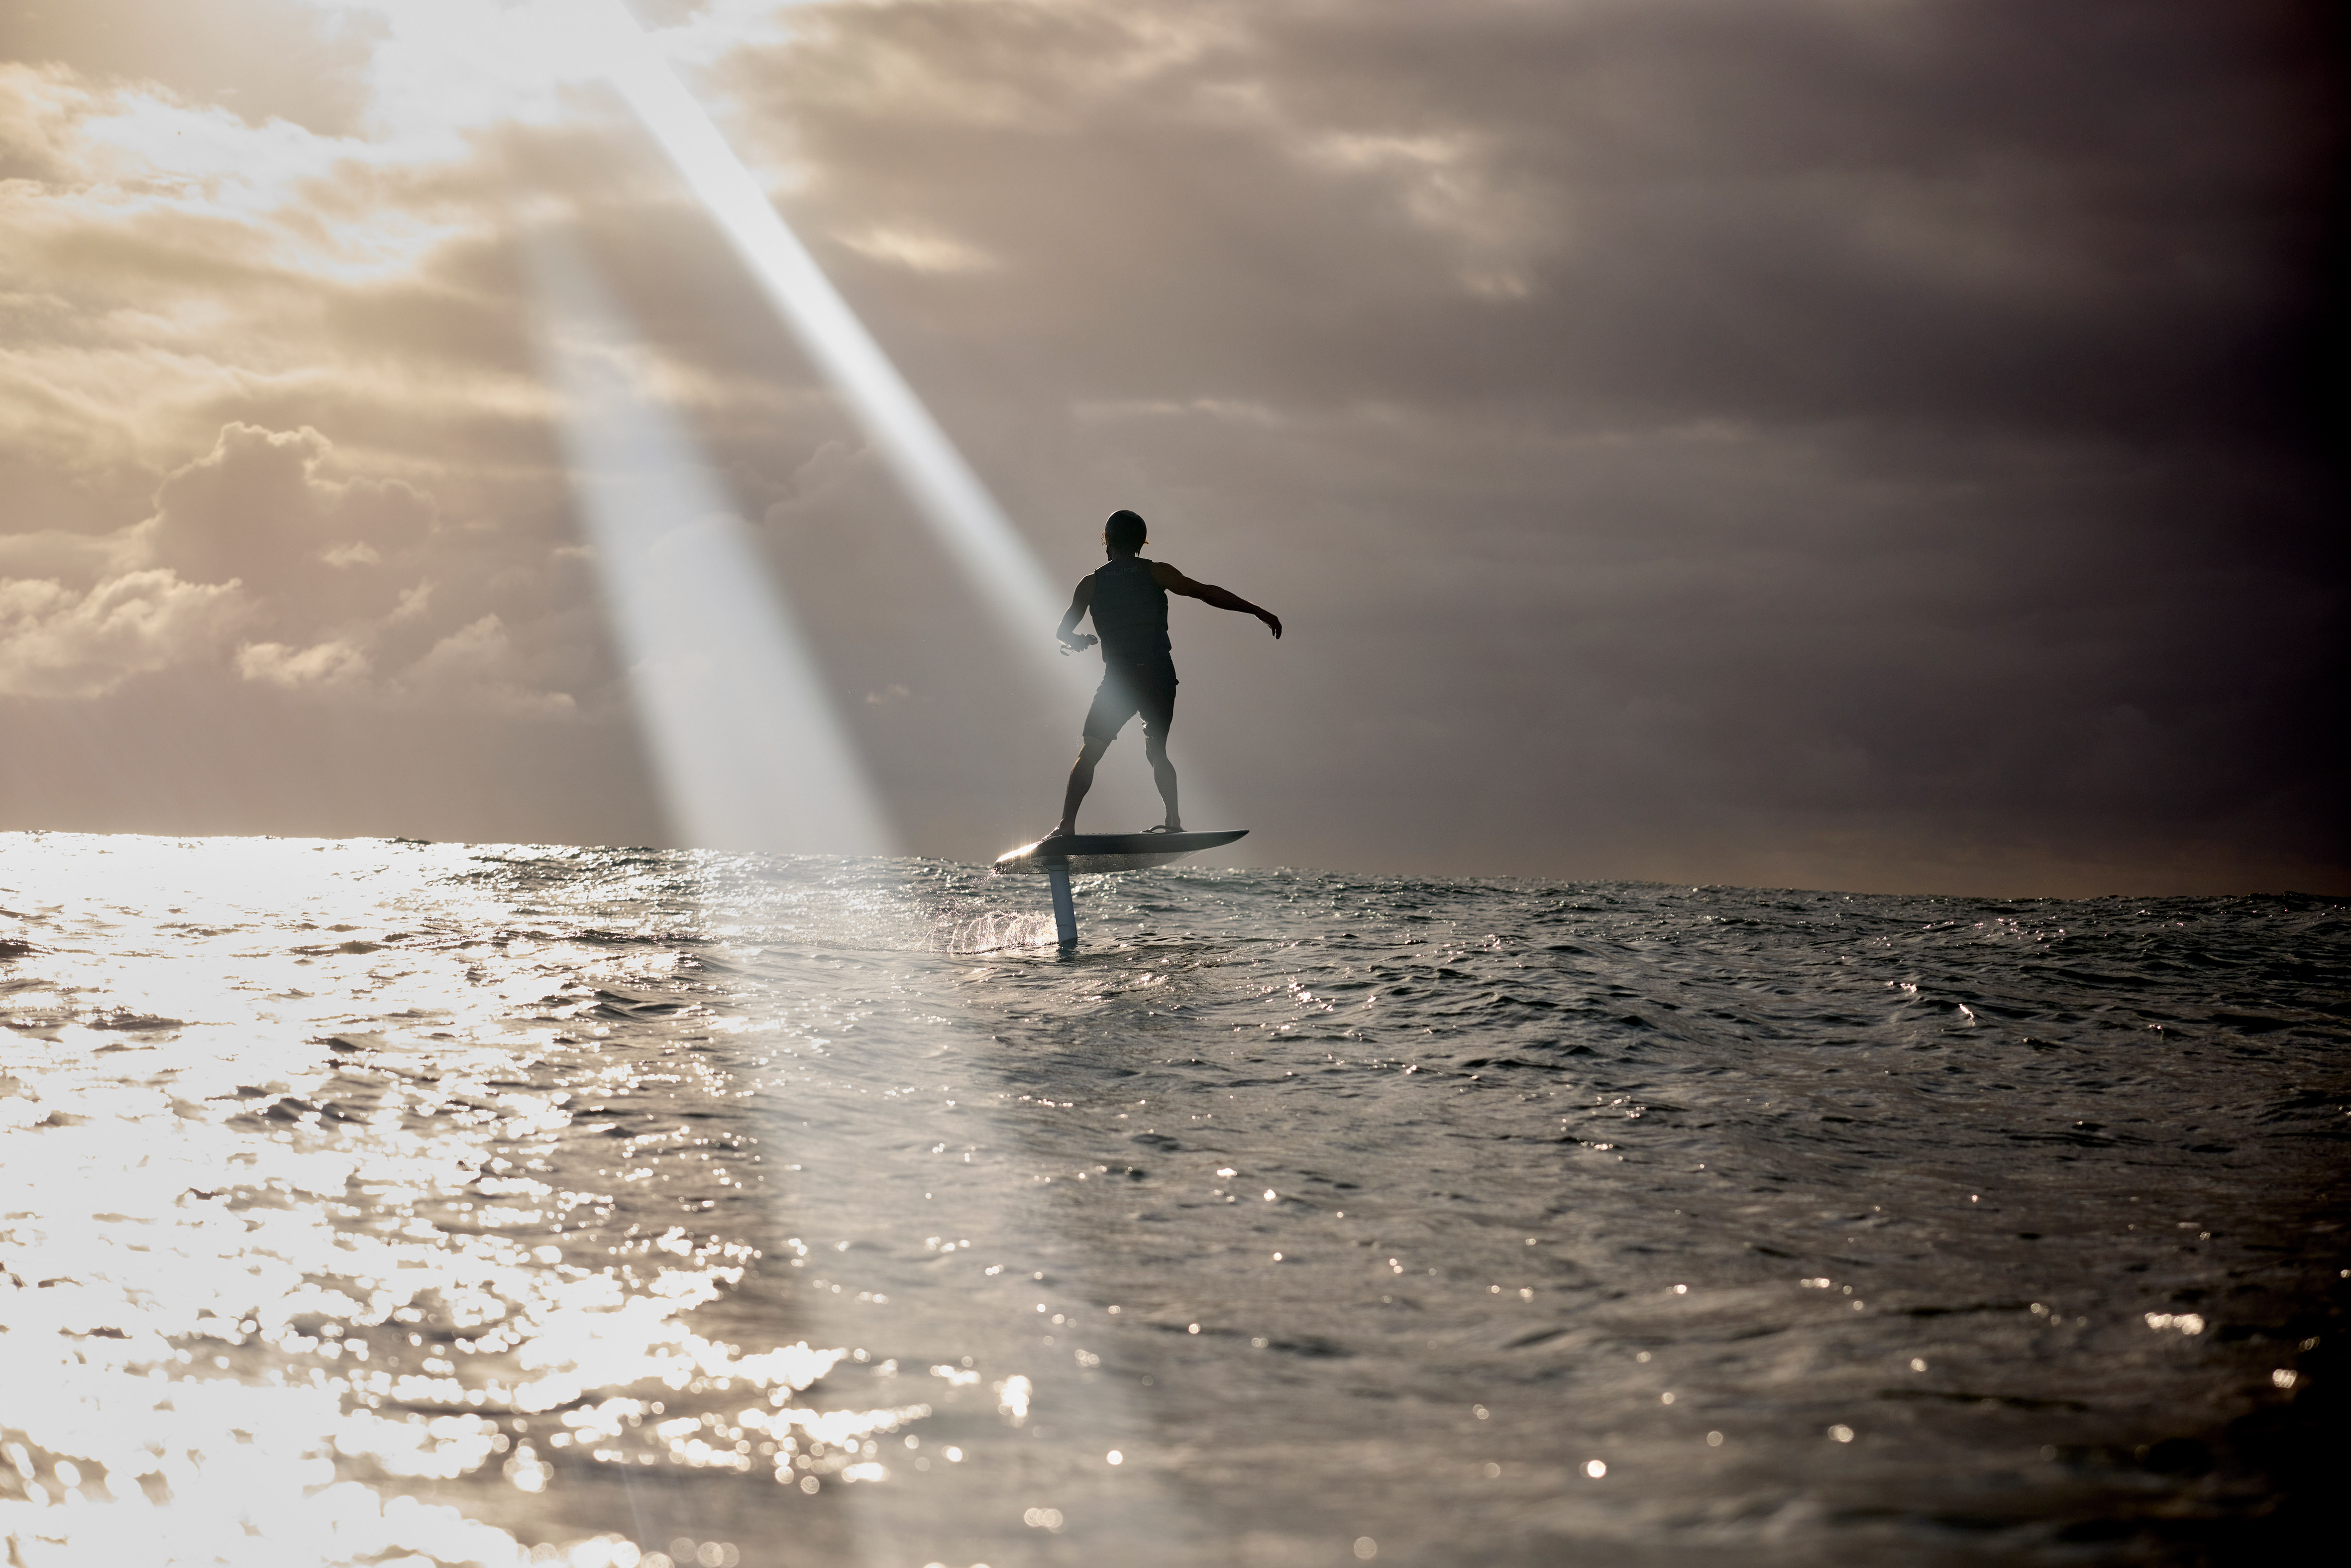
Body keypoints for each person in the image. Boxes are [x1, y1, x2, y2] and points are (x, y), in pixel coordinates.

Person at [1048, 509, 1281, 838]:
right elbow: (1204, 591)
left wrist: (1078, 640)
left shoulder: (1091, 584)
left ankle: (1066, 826)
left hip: (1120, 680)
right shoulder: (1157, 572)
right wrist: (1255, 610)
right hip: (1158, 674)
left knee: (1092, 750)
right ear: (1141, 543)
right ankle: (1173, 821)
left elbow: (1062, 631)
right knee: (1157, 750)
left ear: (1107, 542)